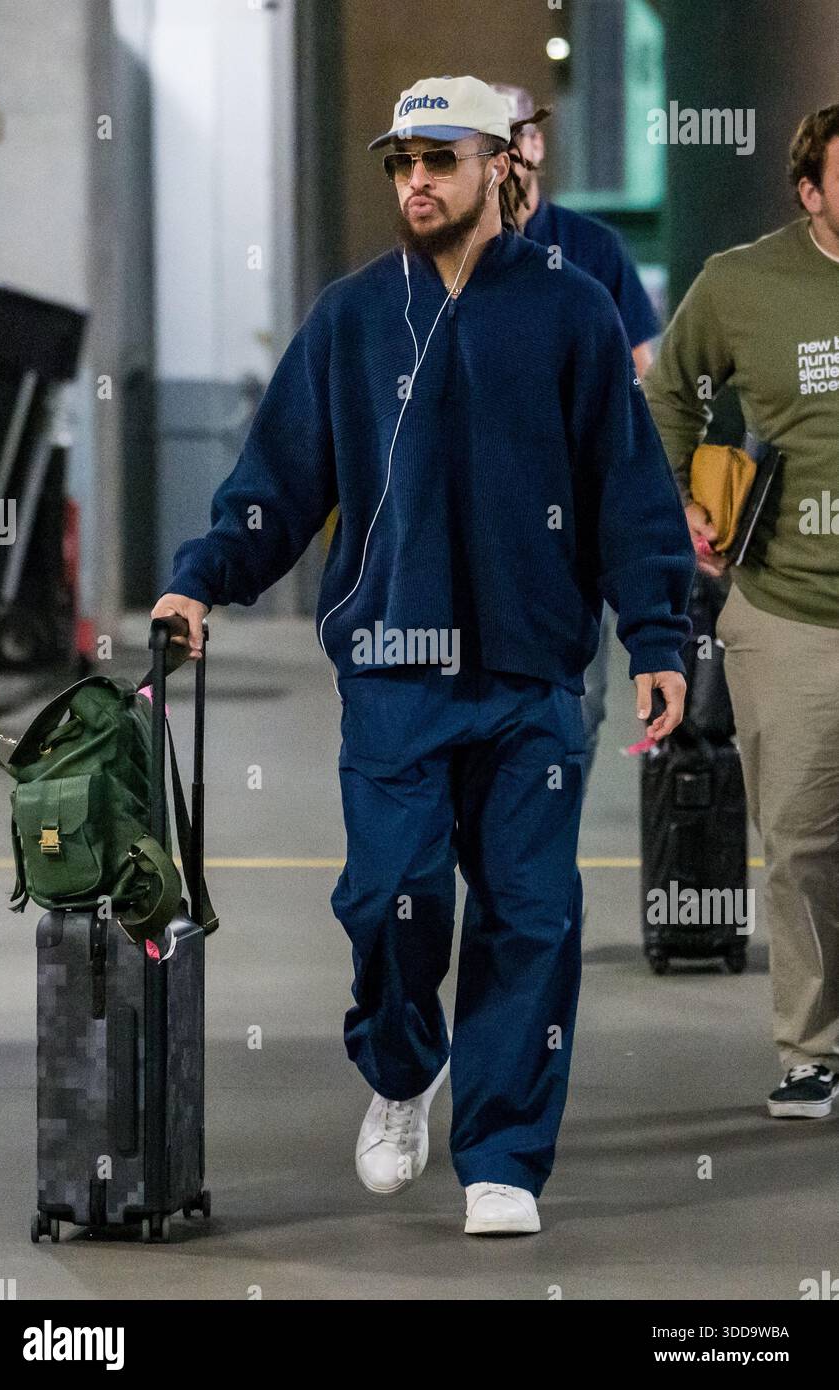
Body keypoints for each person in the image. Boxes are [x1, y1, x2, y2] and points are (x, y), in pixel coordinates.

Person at [152, 75, 694, 1234]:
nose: (415, 182)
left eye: (438, 160)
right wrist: (202, 577)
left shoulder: (569, 310)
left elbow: (627, 492)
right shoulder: (351, 317)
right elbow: (278, 481)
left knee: (530, 917)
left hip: (533, 676)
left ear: (499, 164)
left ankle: (500, 1154)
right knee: (391, 900)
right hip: (396, 672)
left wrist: (656, 631)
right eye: (400, 163)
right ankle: (401, 1070)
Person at [643, 104, 839, 1119]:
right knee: (801, 843)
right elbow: (667, 392)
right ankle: (810, 1049)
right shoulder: (741, 284)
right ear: (807, 192)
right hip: (787, 609)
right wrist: (682, 499)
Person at [492, 83, 660, 781]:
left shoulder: (593, 250)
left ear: (535, 147)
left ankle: (541, 853)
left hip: (572, 526)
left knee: (579, 702)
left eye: (519, 139)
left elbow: (642, 375)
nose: (509, 156)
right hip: (487, 516)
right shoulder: (451, 257)